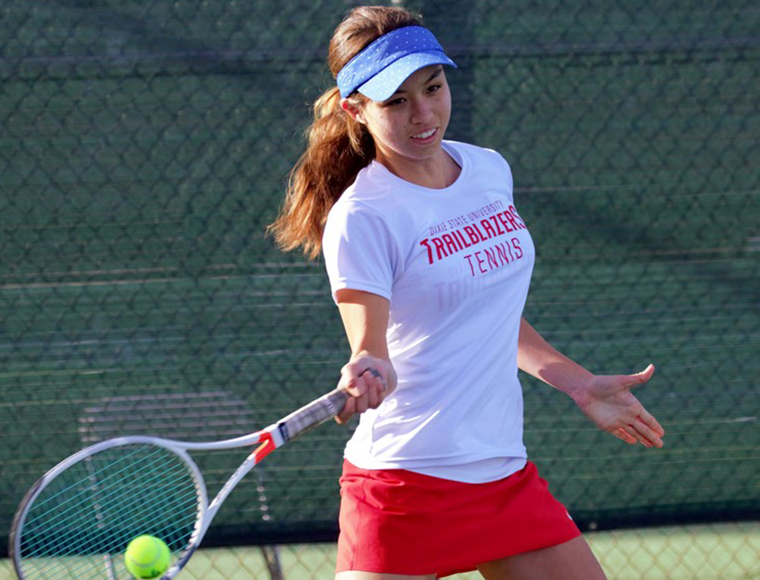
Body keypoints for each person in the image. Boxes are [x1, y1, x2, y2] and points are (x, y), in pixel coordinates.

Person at [268, 6, 665, 580]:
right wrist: (368, 367)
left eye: (433, 87)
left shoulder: (487, 171)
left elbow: (489, 314)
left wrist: (578, 383)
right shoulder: (362, 216)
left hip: (502, 474)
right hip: (406, 484)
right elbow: (369, 345)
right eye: (396, 101)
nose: (423, 113)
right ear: (356, 108)